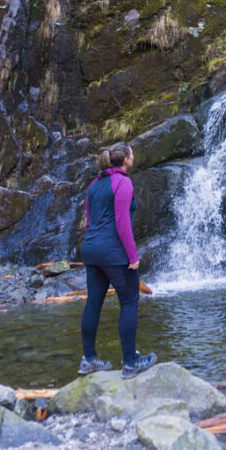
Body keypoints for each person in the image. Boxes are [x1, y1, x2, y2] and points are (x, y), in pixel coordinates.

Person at [78, 142, 157, 380]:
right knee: (130, 301)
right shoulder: (123, 182)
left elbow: (90, 221)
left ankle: (89, 360)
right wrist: (133, 257)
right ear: (126, 160)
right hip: (113, 251)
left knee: (93, 302)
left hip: (91, 250)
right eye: (132, 152)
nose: (134, 155)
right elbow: (122, 223)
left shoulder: (94, 184)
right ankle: (131, 363)